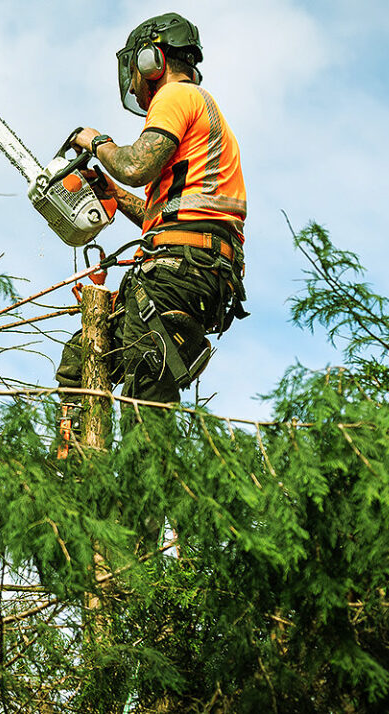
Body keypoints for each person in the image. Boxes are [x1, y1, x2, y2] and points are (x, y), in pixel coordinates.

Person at [55, 12, 247, 434]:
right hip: (194, 266)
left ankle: (150, 492)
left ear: (150, 61)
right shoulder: (199, 115)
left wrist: (96, 142)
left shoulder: (177, 96)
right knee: (82, 361)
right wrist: (111, 191)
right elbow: (164, 213)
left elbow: (136, 163)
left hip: (180, 270)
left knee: (147, 396)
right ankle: (79, 480)